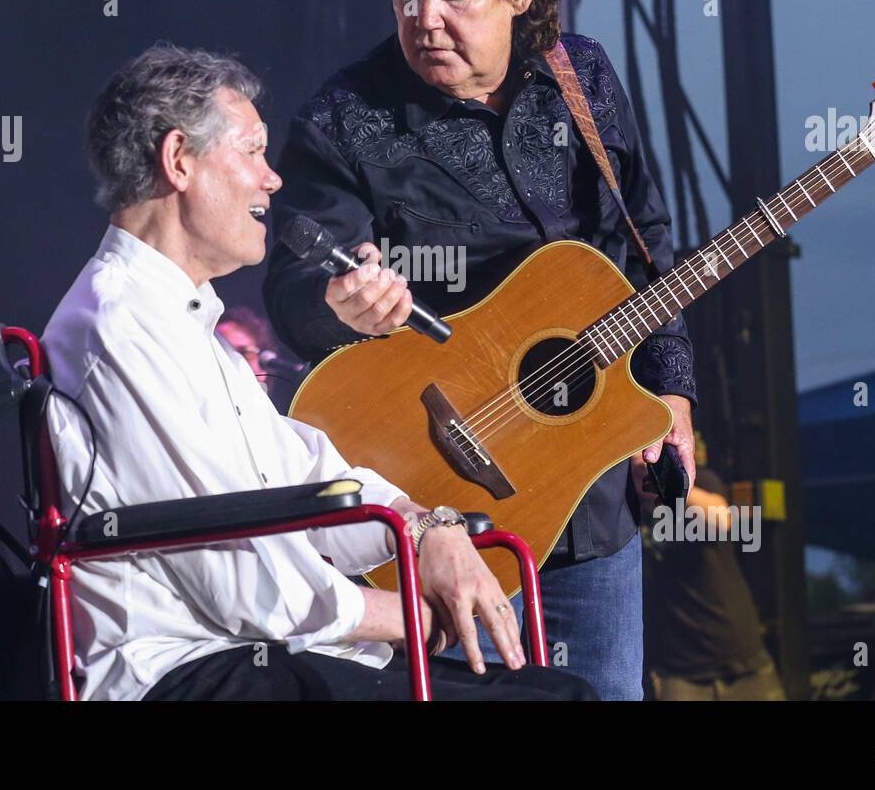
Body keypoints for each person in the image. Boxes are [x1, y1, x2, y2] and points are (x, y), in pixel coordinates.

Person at [40, 44, 595, 700]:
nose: (271, 180)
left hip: (261, 654)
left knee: (555, 691)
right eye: (251, 151)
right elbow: (236, 578)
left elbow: (312, 480)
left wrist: (427, 528)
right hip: (186, 673)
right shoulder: (120, 328)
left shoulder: (186, 325)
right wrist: (409, 617)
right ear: (179, 160)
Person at [263, 0, 697, 699]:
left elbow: (647, 249)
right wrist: (338, 305)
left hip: (588, 509)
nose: (423, 19)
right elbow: (292, 294)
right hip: (437, 520)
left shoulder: (585, 77)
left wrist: (672, 394)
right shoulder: (342, 117)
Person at [641, 435, 784, 700]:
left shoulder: (698, 480)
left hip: (740, 660)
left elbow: (721, 518)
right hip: (676, 673)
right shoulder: (621, 507)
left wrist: (659, 471)